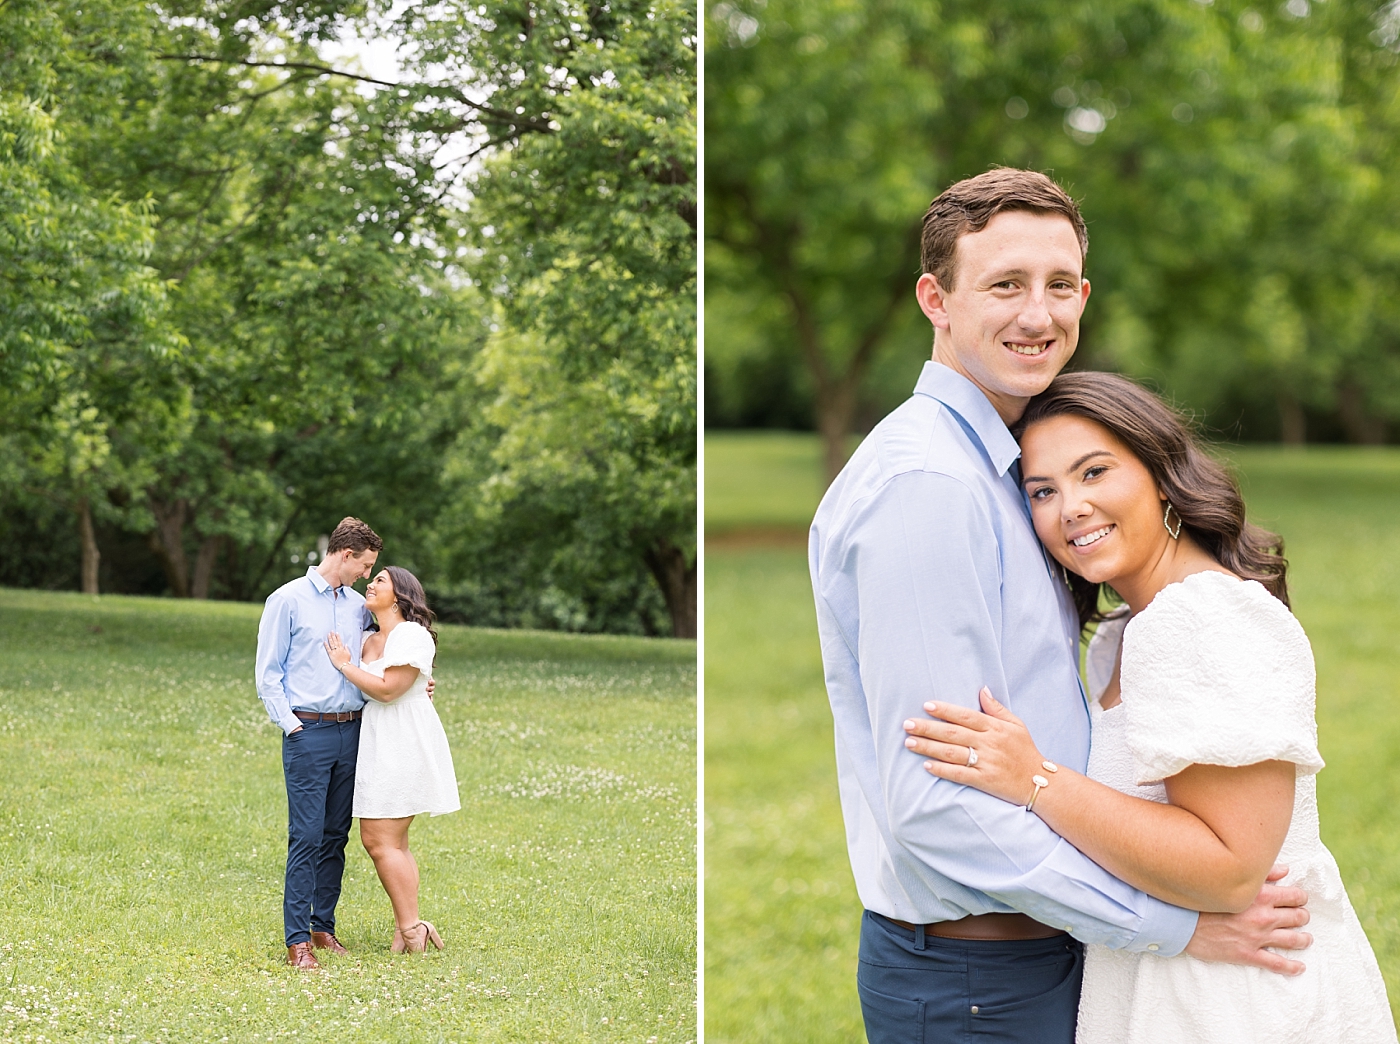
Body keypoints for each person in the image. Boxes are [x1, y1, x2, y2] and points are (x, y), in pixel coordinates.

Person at [807, 169, 1311, 1043]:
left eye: (1058, 286)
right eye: (1004, 284)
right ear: (937, 298)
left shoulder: (1004, 466)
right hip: (980, 983)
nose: (1037, 315)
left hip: (1039, 961)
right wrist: (1174, 927)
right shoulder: (931, 485)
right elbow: (940, 808)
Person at [902, 372, 1396, 1043]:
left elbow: (1230, 870)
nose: (1070, 506)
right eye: (1042, 491)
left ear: (1161, 475)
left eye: (1094, 472)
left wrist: (1035, 780)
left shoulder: (1202, 618)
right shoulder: (1121, 634)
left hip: (1235, 998)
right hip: (1164, 975)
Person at [255, 516, 382, 971]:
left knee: (335, 836)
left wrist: (415, 683)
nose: (367, 575)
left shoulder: (355, 606)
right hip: (308, 733)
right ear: (345, 555)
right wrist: (291, 726)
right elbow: (268, 674)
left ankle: (322, 928)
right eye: (364, 565)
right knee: (306, 837)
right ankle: (297, 942)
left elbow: (378, 654)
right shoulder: (286, 600)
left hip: (354, 731)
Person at [324, 565, 460, 954]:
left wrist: (344, 665)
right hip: (379, 740)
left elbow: (388, 691)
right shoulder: (368, 640)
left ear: (401, 596)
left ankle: (412, 929)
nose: (371, 583)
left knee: (378, 839)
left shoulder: (412, 635)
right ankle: (411, 925)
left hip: (404, 740)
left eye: (379, 579)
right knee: (394, 841)